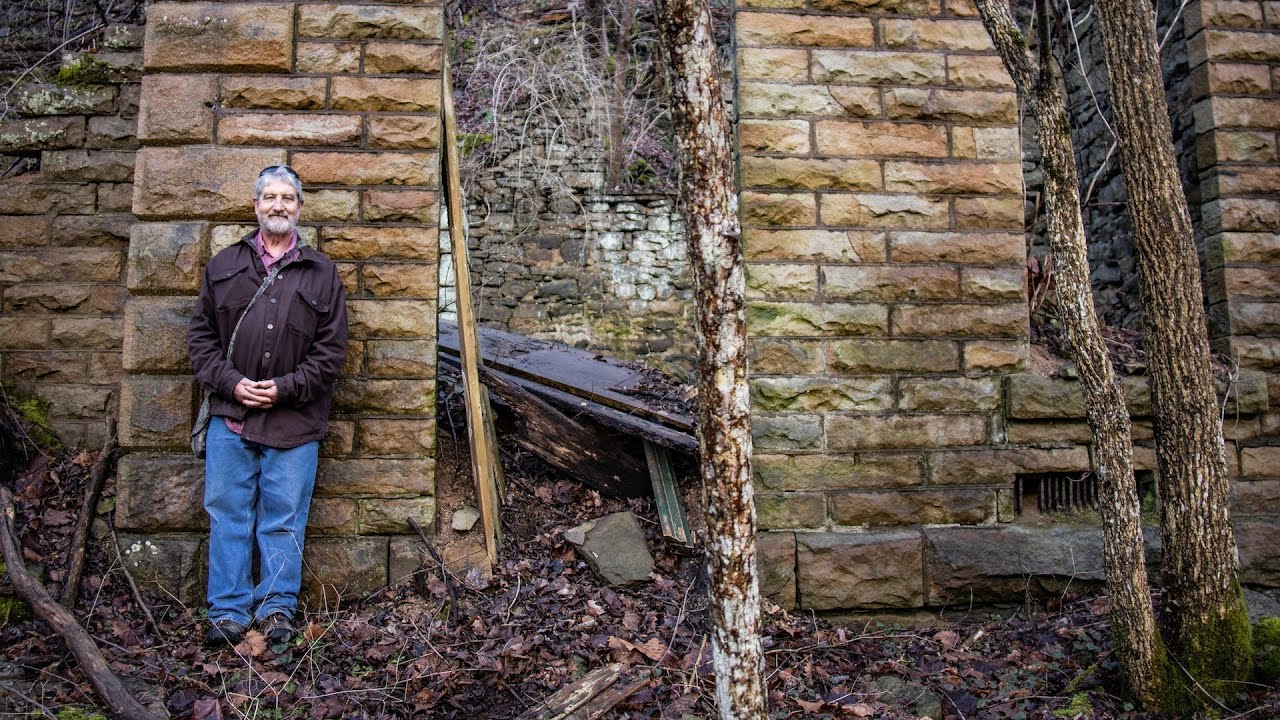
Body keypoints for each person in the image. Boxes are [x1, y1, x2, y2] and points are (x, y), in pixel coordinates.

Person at [187, 165, 347, 647]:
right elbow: (200, 340)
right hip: (231, 418)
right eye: (270, 197)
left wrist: (284, 387)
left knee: (283, 518)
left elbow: (331, 351)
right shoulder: (224, 265)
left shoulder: (322, 273)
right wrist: (232, 384)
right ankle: (228, 611)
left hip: (294, 421)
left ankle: (277, 609)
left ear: (300, 207)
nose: (278, 206)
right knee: (228, 514)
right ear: (255, 205)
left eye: (288, 198)